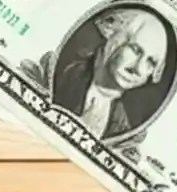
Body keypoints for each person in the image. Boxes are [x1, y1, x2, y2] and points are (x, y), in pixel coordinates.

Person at [53, 8, 169, 139]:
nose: (138, 68)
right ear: (111, 33)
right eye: (135, 50)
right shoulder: (63, 74)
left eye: (151, 62)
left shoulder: (122, 126)